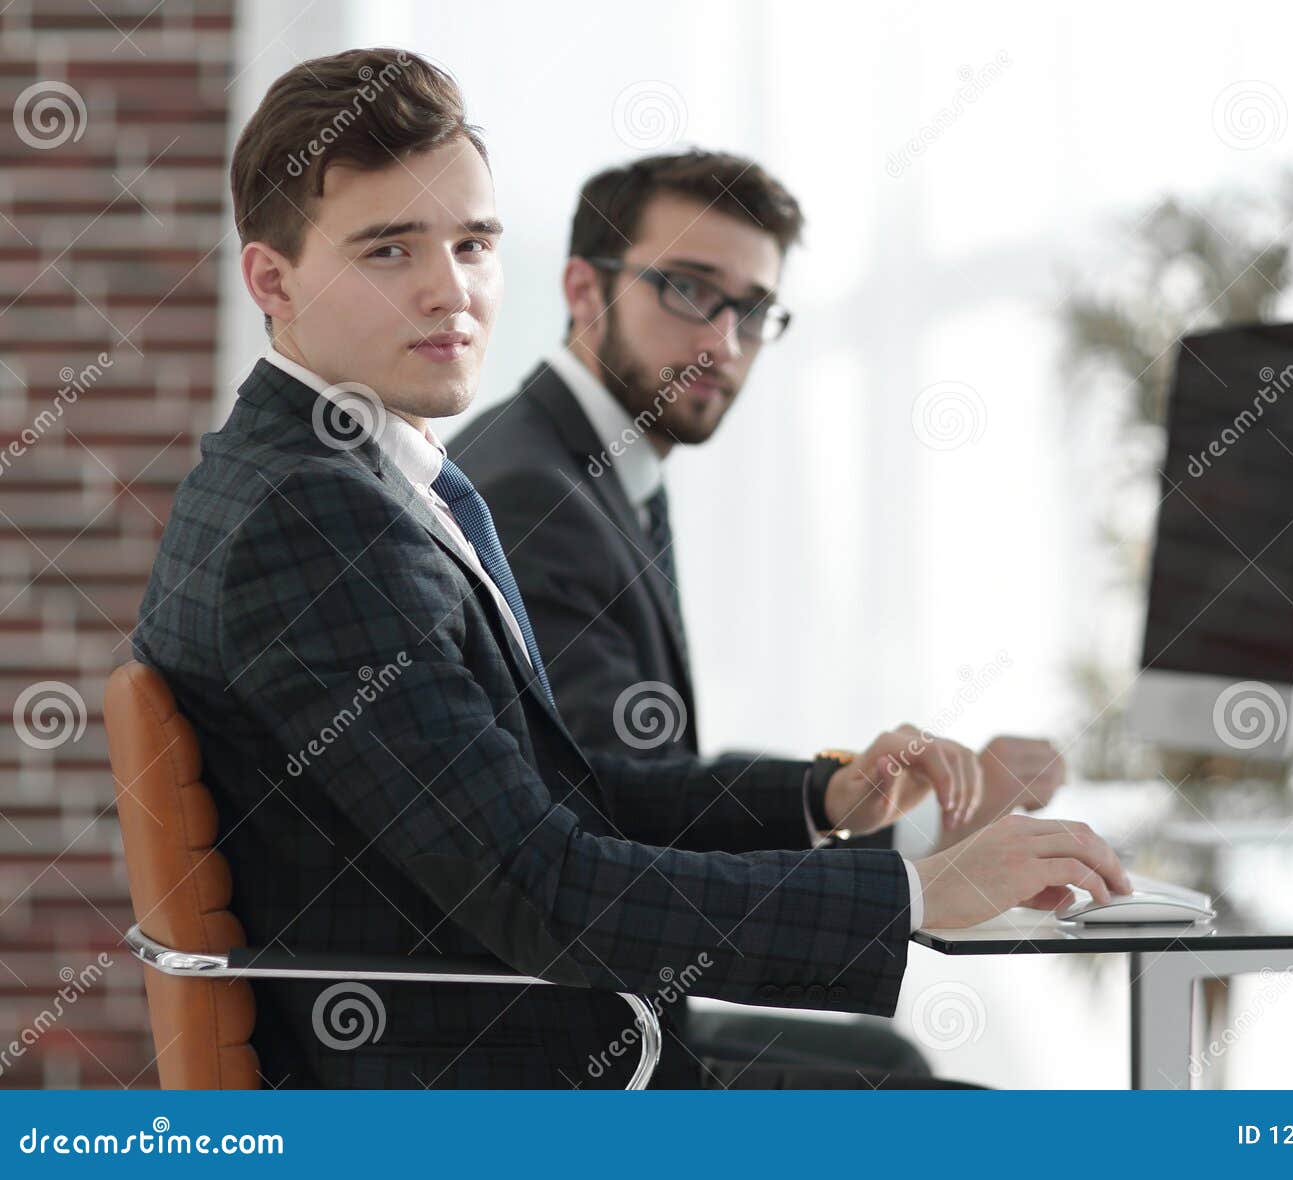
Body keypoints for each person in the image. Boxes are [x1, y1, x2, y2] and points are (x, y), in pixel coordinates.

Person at [132, 47, 1130, 1089]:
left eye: (473, 243)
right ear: (271, 279)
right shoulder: (317, 516)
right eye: (390, 251)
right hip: (484, 1084)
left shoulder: (333, 473)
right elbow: (542, 883)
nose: (450, 290)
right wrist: (918, 895)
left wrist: (823, 797)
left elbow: (550, 795)